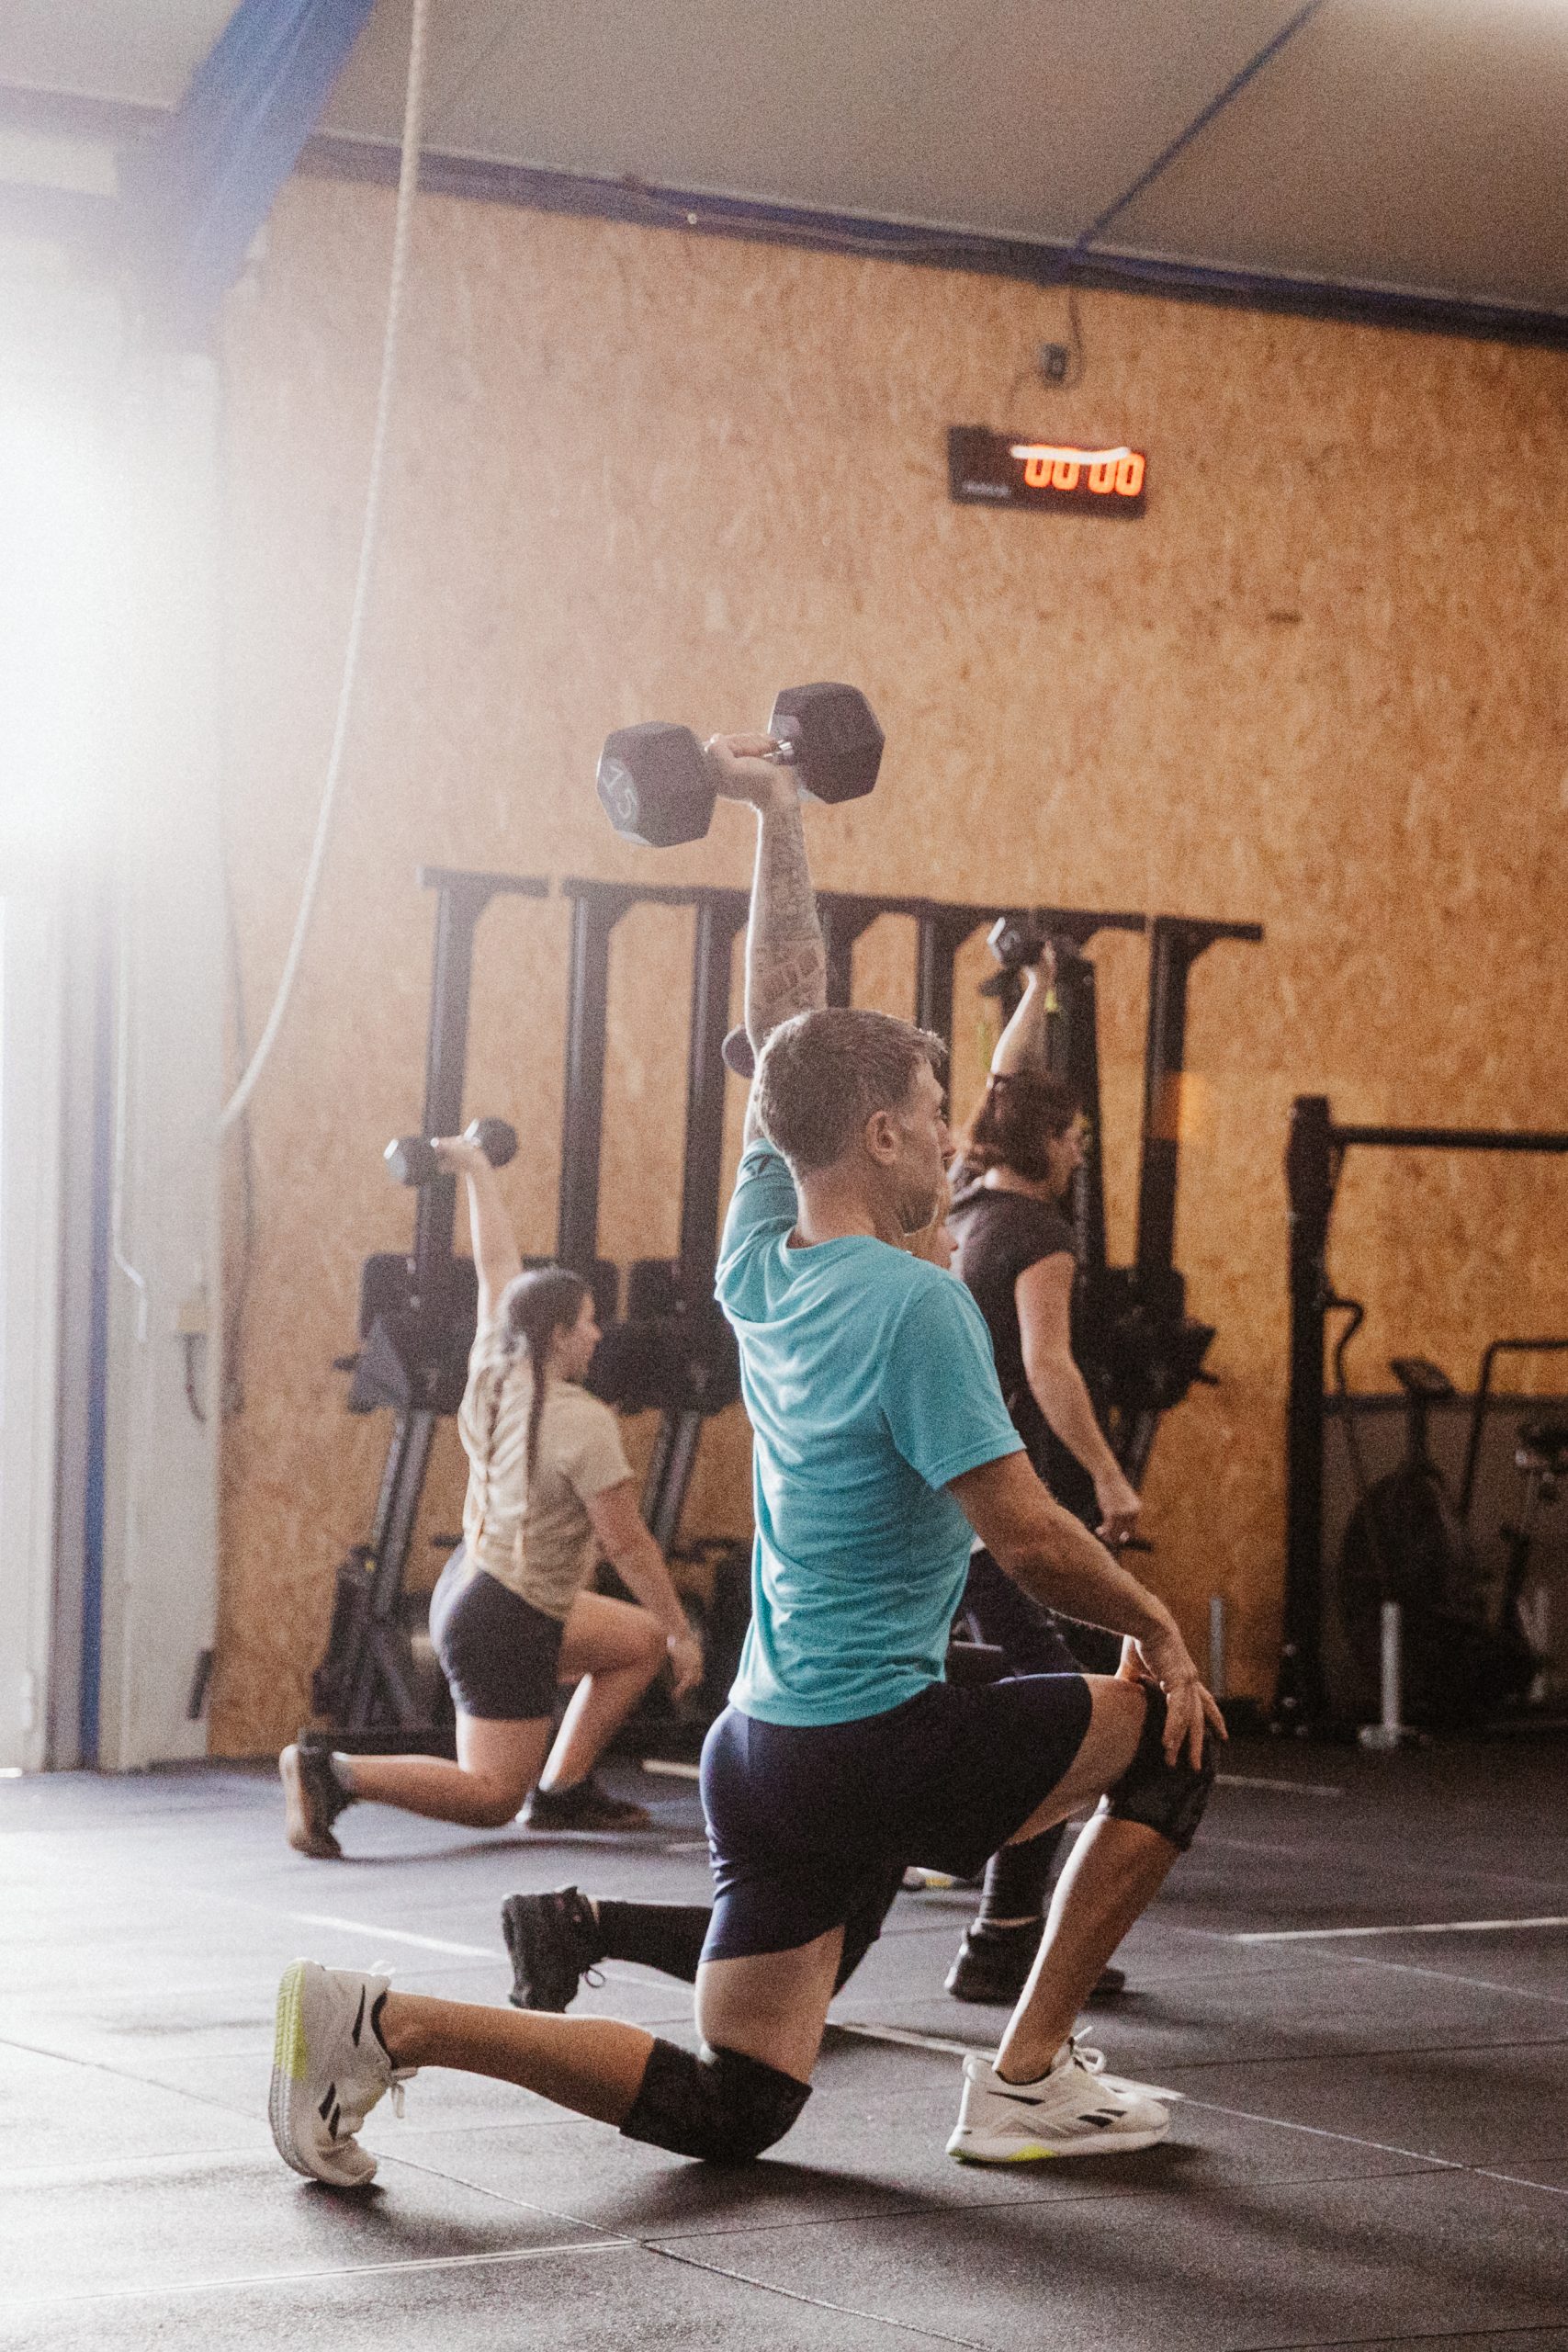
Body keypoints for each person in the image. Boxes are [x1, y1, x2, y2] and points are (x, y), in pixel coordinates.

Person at [268, 729, 1224, 2188]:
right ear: (887, 1132)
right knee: (1166, 1731)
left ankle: (383, 2025)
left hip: (762, 1750)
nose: (955, 1145)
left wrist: (773, 817)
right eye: (933, 1113)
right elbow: (1025, 1537)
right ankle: (1026, 2075)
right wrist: (1158, 1630)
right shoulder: (912, 1300)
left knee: (739, 2103)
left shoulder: (760, 1263)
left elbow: (786, 1033)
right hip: (862, 1748)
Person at [277, 1130, 703, 1854]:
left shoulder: (494, 1371)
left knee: (633, 1644)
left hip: (476, 1590)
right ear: (560, 1336)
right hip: (503, 1620)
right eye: (588, 1322)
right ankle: (331, 1771)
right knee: (489, 1797)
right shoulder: (583, 1422)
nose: (599, 1334)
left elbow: (496, 1270)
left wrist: (475, 1170)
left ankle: (563, 1792)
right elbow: (626, 1542)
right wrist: (682, 1630)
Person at [940, 944, 1146, 2003]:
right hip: (996, 1514)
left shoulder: (966, 1199)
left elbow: (999, 1092)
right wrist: (1110, 1479)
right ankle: (999, 1941)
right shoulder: (1038, 1232)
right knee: (1066, 1716)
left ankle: (997, 1933)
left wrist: (1032, 993)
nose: (1078, 1147)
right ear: (1050, 1144)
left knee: (1038, 1702)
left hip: (948, 1514)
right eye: (1072, 1134)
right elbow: (1048, 1364)